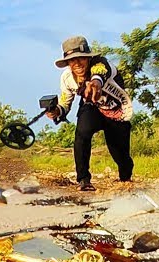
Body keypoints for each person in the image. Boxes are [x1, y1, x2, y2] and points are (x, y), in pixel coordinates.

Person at [45, 36, 133, 192]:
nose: (77, 64)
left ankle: (125, 178)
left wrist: (95, 83)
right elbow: (66, 102)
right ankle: (84, 180)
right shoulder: (67, 79)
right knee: (82, 132)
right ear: (68, 63)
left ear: (88, 58)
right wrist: (56, 111)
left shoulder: (103, 65)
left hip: (117, 111)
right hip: (92, 106)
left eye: (81, 59)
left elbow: (99, 74)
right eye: (72, 60)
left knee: (119, 152)